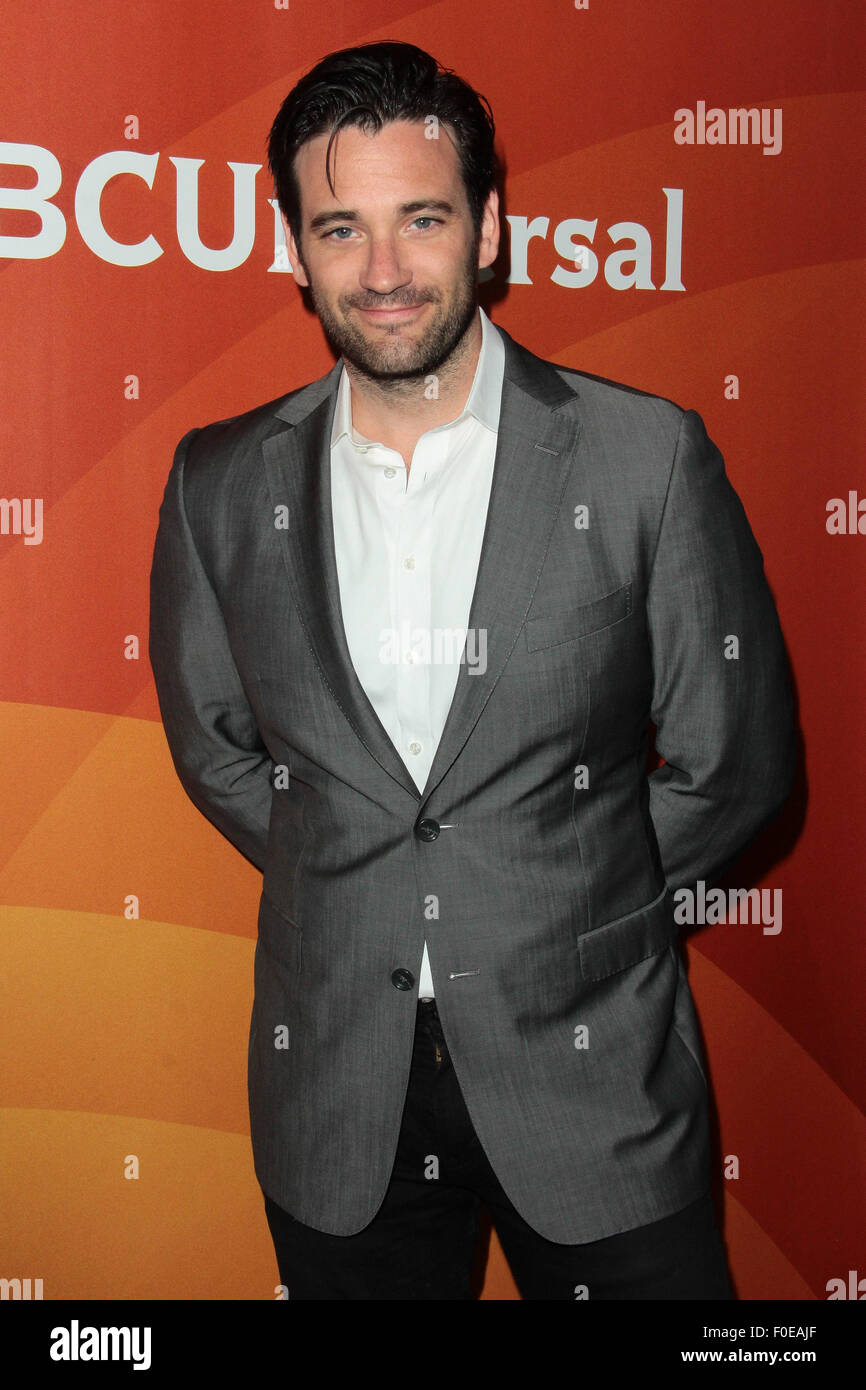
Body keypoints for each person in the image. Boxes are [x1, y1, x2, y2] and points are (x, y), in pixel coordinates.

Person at [148, 40, 795, 1299]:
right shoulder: (218, 481)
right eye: (340, 228)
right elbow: (216, 743)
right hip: (338, 1087)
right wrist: (366, 874)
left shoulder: (641, 456)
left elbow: (736, 764)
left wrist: (559, 894)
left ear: (487, 228)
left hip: (596, 1075)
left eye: (421, 219)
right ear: (293, 250)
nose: (383, 273)